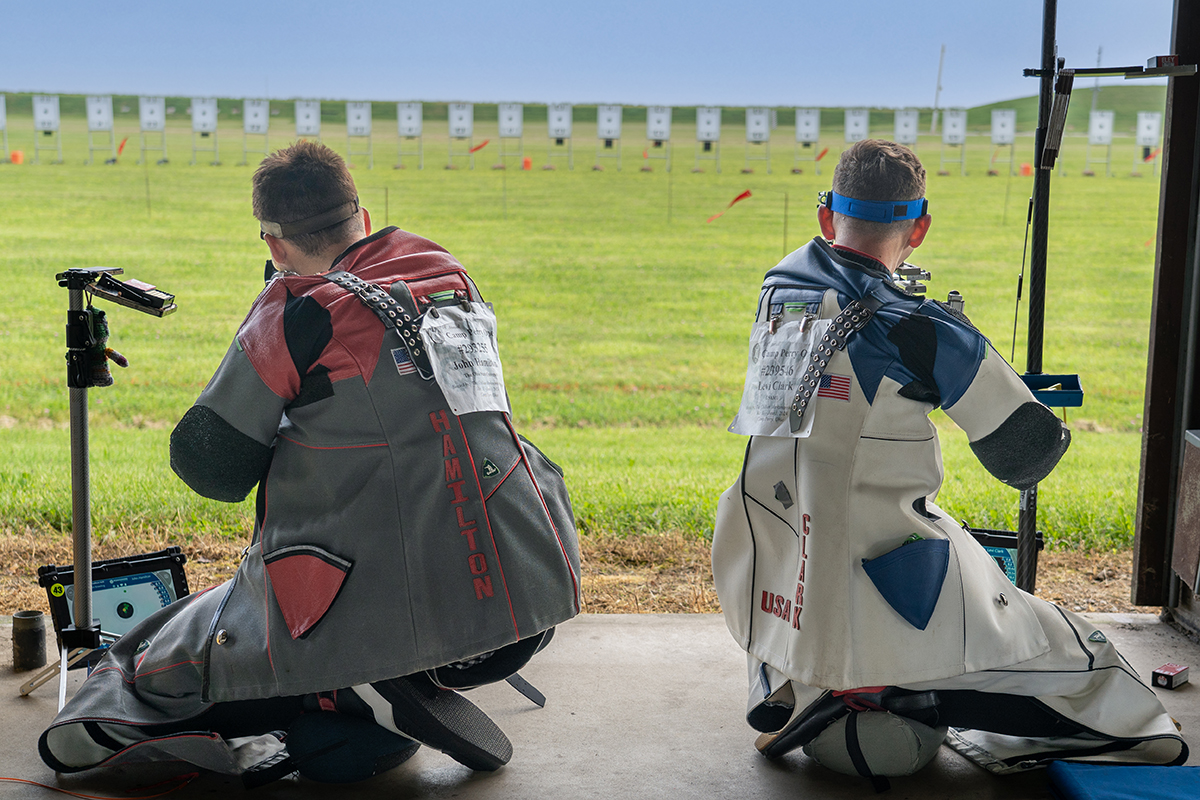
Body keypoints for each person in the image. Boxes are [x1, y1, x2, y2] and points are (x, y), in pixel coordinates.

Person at [40, 141, 581, 784]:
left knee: (112, 690)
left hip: (366, 603)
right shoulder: (446, 273)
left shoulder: (296, 311)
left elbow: (209, 468)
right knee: (333, 735)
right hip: (518, 606)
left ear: (273, 244)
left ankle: (349, 691)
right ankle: (363, 699)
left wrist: (268, 319)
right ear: (365, 215)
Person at [712, 139, 1186, 788]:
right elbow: (1026, 454)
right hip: (884, 579)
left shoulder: (779, 288)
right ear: (920, 229)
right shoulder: (919, 325)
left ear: (827, 219)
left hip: (774, 560)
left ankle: (794, 686)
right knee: (1084, 659)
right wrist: (961, 355)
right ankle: (899, 690)